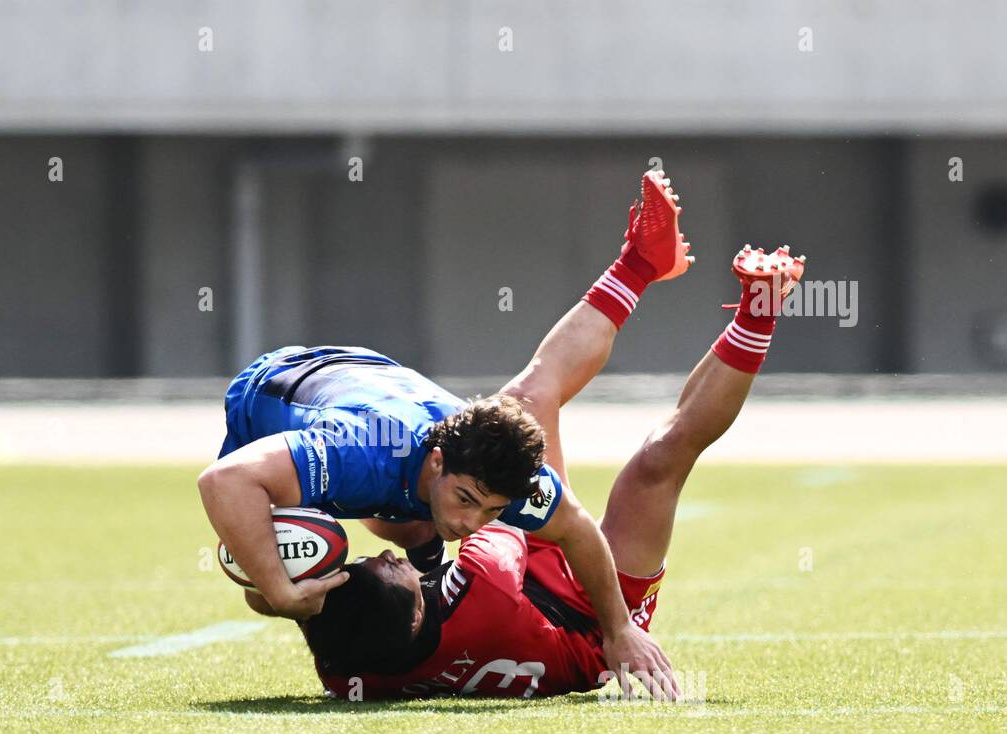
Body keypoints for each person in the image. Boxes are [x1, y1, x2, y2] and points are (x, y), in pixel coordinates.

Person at [199, 170, 693, 690]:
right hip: (275, 390)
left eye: (492, 511)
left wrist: (619, 630)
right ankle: (411, 548)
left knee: (515, 410)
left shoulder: (491, 470)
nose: (473, 523)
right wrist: (277, 588)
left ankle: (638, 264)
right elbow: (221, 482)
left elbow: (577, 529)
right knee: (260, 578)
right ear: (437, 461)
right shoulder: (359, 459)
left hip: (383, 386)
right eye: (467, 498)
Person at [300, 244, 806, 700]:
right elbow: (544, 522)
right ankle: (757, 311)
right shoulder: (484, 584)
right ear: (415, 613)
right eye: (386, 566)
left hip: (527, 594)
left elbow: (327, 615)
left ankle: (642, 260)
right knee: (658, 461)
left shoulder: (345, 672)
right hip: (592, 623)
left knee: (523, 404)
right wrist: (618, 630)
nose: (384, 556)